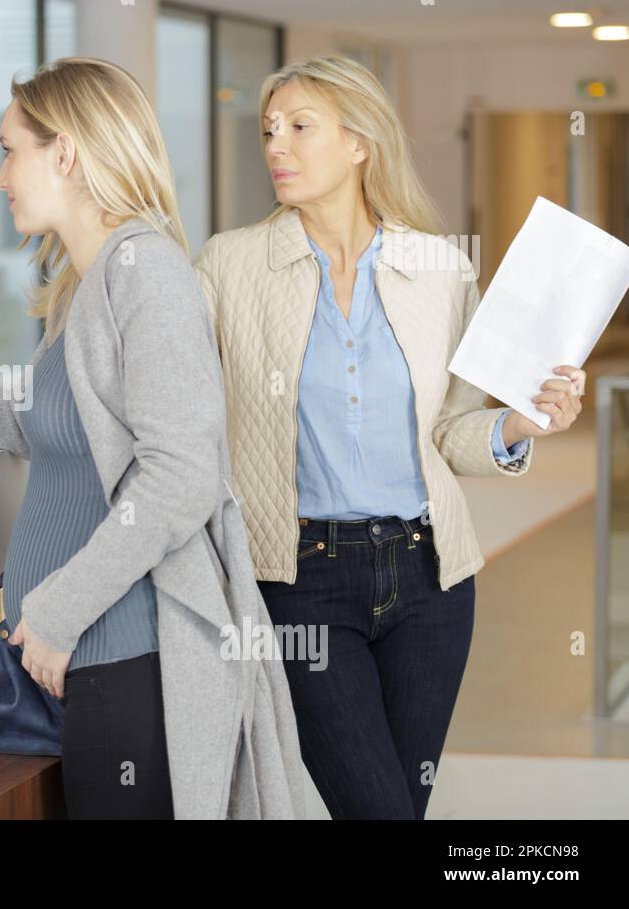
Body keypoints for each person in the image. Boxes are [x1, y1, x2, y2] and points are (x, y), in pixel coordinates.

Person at [0, 58, 306, 819]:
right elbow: (31, 421)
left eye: (11, 150)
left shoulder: (148, 275)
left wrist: (59, 610)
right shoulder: (86, 282)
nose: (1, 176)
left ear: (65, 152)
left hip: (125, 653)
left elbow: (179, 475)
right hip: (89, 655)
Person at [192, 55, 585, 818]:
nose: (277, 145)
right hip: (299, 580)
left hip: (432, 582)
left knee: (401, 804)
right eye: (270, 129)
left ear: (360, 142)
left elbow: (451, 430)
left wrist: (517, 424)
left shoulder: (437, 269)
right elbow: (190, 413)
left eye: (301, 127)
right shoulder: (229, 266)